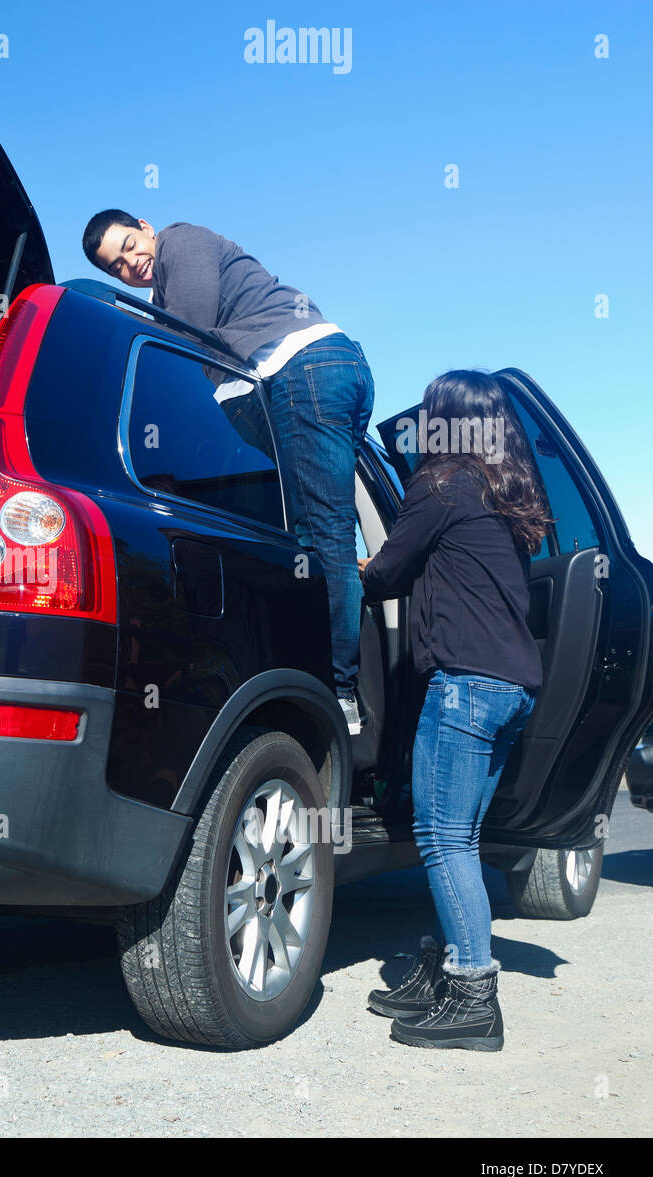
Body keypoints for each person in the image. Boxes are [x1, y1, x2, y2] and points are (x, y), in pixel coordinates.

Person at [82, 210, 374, 731]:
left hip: (302, 366)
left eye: (130, 245)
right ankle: (330, 682)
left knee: (322, 535)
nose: (132, 263)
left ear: (146, 226)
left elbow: (185, 329)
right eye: (119, 268)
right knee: (309, 527)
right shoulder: (165, 278)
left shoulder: (181, 242)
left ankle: (338, 692)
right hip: (305, 375)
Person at [358, 371, 549, 1051]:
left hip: (468, 685)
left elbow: (388, 571)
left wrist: (353, 566)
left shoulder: (440, 484)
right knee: (459, 838)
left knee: (443, 840)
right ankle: (440, 974)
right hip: (513, 689)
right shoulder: (504, 495)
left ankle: (472, 998)